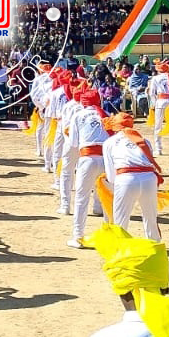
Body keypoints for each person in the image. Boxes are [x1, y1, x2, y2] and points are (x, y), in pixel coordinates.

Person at [102, 112, 162, 240]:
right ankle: (155, 249)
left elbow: (111, 176)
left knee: (120, 221)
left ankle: (120, 250)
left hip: (126, 178)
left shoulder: (109, 142)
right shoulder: (144, 140)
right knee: (151, 218)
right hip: (149, 178)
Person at [62, 86, 108, 249]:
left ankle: (78, 236)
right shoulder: (106, 115)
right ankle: (110, 235)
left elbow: (73, 143)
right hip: (106, 159)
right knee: (107, 197)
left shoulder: (78, 115)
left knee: (82, 197)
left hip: (87, 157)